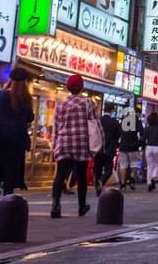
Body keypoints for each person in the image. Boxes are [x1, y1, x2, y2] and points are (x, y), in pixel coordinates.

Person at [0, 69, 34, 210]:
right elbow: (30, 118)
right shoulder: (26, 97)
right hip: (16, 137)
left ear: (10, 80)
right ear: (25, 82)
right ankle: (6, 200)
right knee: (11, 168)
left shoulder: (0, 95)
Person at [51, 74, 97, 217]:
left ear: (68, 87)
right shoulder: (89, 103)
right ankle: (81, 207)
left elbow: (57, 127)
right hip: (81, 143)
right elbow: (94, 124)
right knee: (81, 175)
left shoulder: (61, 105)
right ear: (82, 87)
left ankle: (56, 205)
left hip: (64, 142)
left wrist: (56, 144)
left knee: (60, 175)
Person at [95, 103, 121, 193]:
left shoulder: (98, 120)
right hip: (109, 148)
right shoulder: (115, 122)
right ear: (112, 110)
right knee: (108, 170)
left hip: (98, 148)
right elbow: (119, 135)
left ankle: (97, 187)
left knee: (97, 168)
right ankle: (101, 181)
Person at [116, 107, 143, 190]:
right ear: (137, 113)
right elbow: (142, 134)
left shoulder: (124, 120)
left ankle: (123, 184)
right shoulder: (138, 121)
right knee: (134, 164)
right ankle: (131, 179)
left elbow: (119, 133)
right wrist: (139, 143)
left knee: (123, 165)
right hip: (133, 146)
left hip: (123, 146)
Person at [144, 110, 158, 191]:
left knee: (149, 166)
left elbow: (143, 138)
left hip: (149, 147)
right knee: (156, 165)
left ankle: (149, 183)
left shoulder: (147, 128)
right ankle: (154, 176)